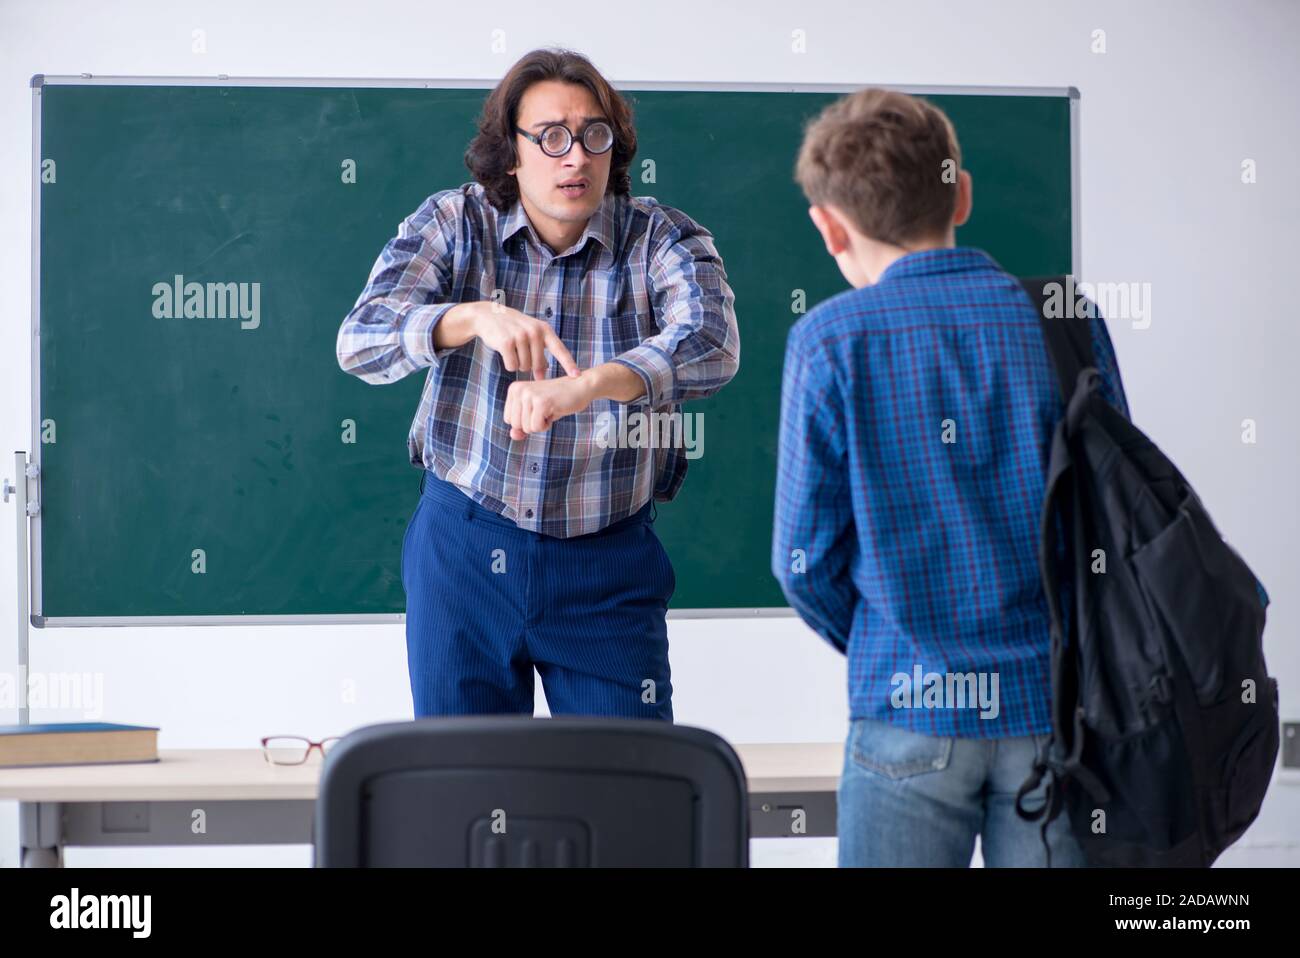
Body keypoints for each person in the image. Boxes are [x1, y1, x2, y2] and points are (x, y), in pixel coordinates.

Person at [771, 88, 1129, 866]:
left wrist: (890, 641)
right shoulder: (1065, 315)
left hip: (906, 703)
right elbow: (1116, 519)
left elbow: (802, 564)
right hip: (1054, 710)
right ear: (961, 191)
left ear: (829, 226)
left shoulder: (828, 340)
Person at [337, 48, 739, 721]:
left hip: (606, 564)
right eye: (551, 137)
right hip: (463, 555)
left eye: (594, 135)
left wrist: (592, 386)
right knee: (463, 791)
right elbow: (361, 339)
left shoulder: (663, 238)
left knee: (628, 792)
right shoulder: (453, 223)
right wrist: (468, 317)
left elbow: (713, 343)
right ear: (511, 153)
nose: (575, 157)